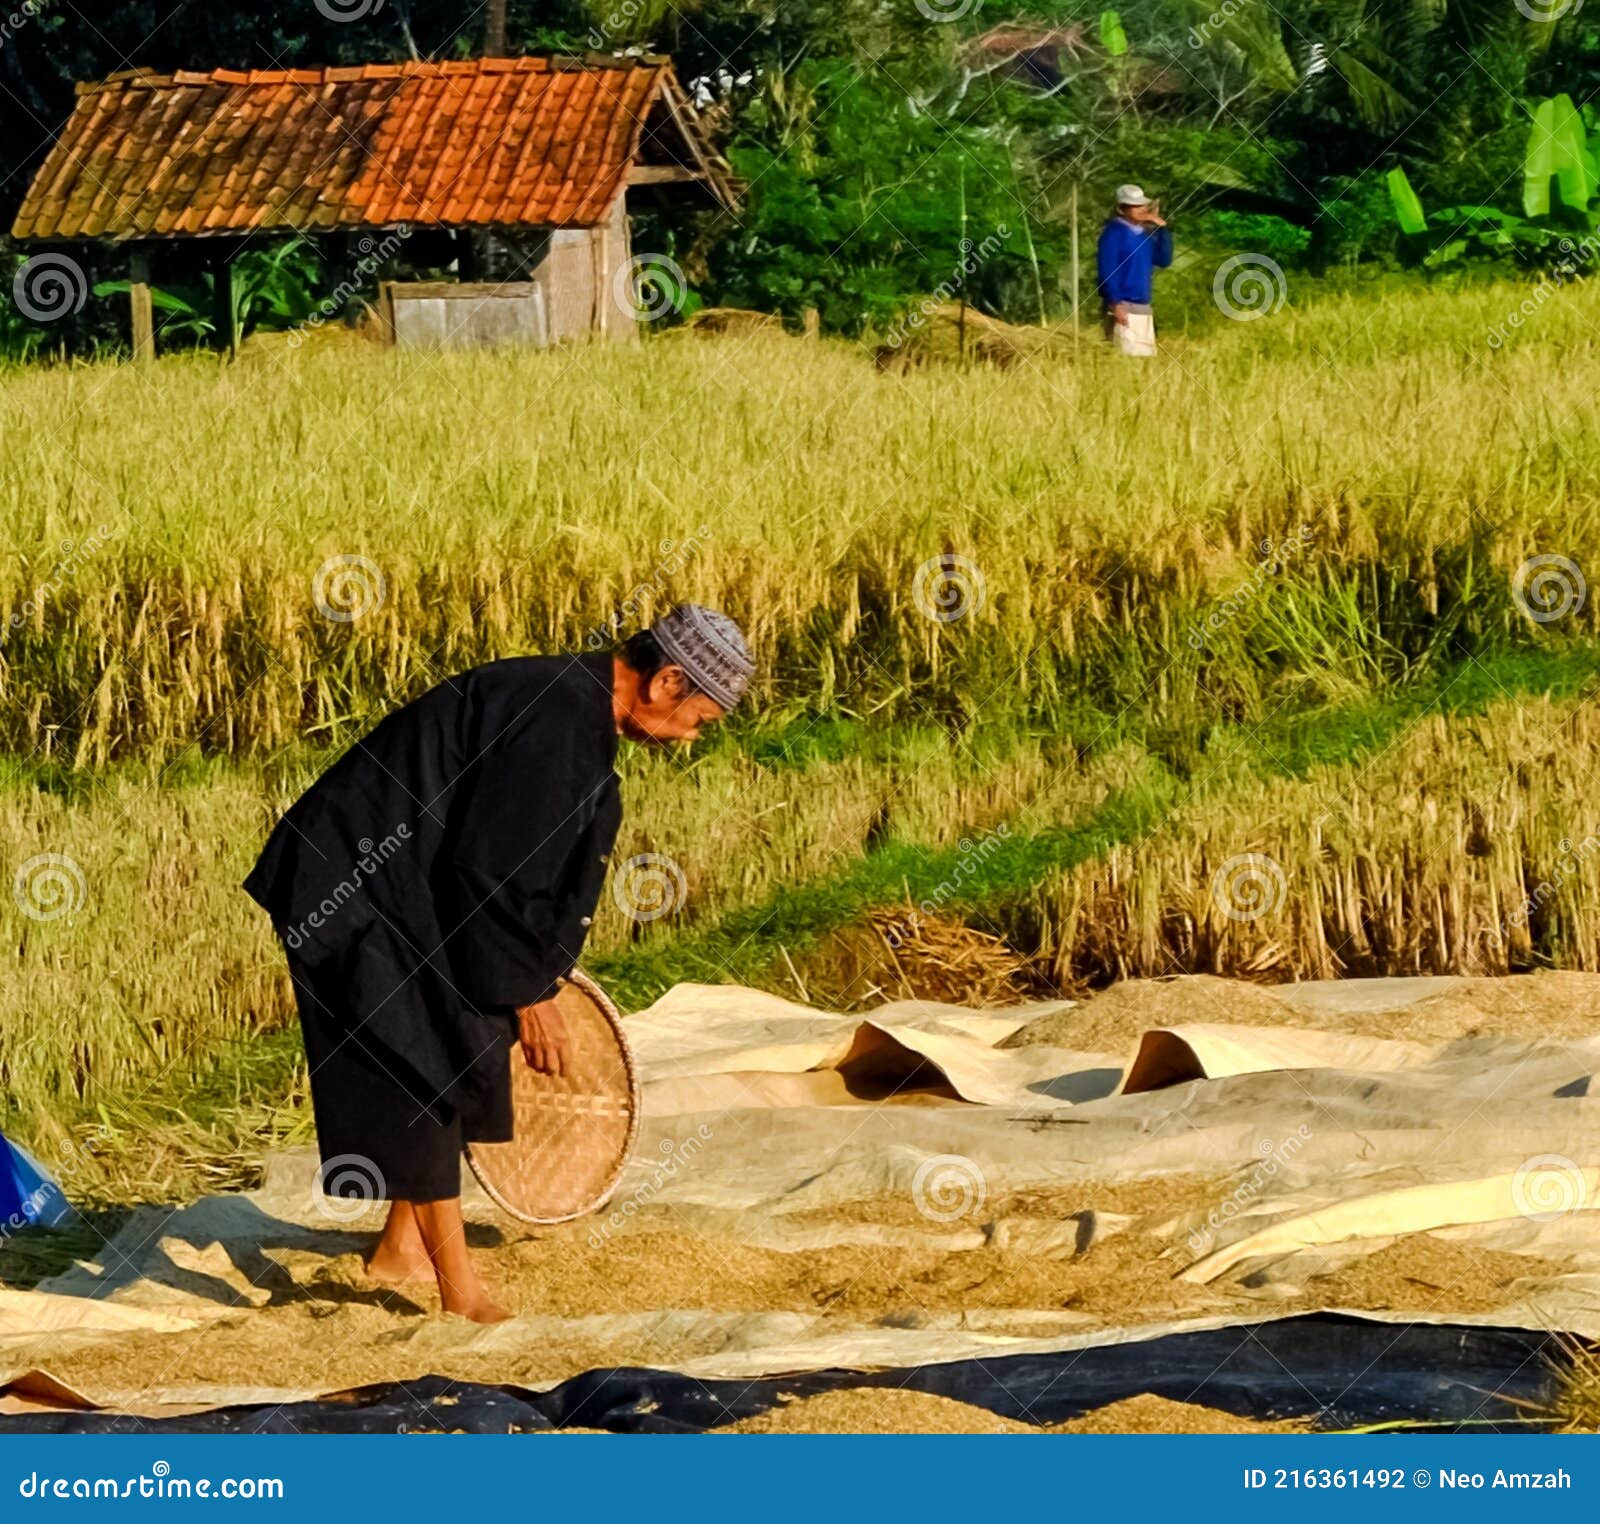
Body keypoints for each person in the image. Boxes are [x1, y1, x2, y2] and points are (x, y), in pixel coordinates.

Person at [242, 604, 755, 1323]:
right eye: (699, 718)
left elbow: (522, 861)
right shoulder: (560, 721)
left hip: (403, 878)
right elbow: (494, 870)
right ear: (668, 681)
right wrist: (526, 994)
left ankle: (401, 1251)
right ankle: (462, 1292)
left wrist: (533, 974)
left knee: (451, 1037)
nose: (693, 737)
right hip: (350, 882)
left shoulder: (577, 708)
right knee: (419, 1062)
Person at [1096, 183, 1172, 356]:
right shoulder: (1113, 233)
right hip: (1123, 303)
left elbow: (1163, 260)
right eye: (1134, 206)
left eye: (1142, 205)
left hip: (1142, 302)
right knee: (1125, 356)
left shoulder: (1143, 235)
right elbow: (1107, 270)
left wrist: (1162, 231)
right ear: (1122, 209)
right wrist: (1115, 303)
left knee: (1143, 357)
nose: (1141, 209)